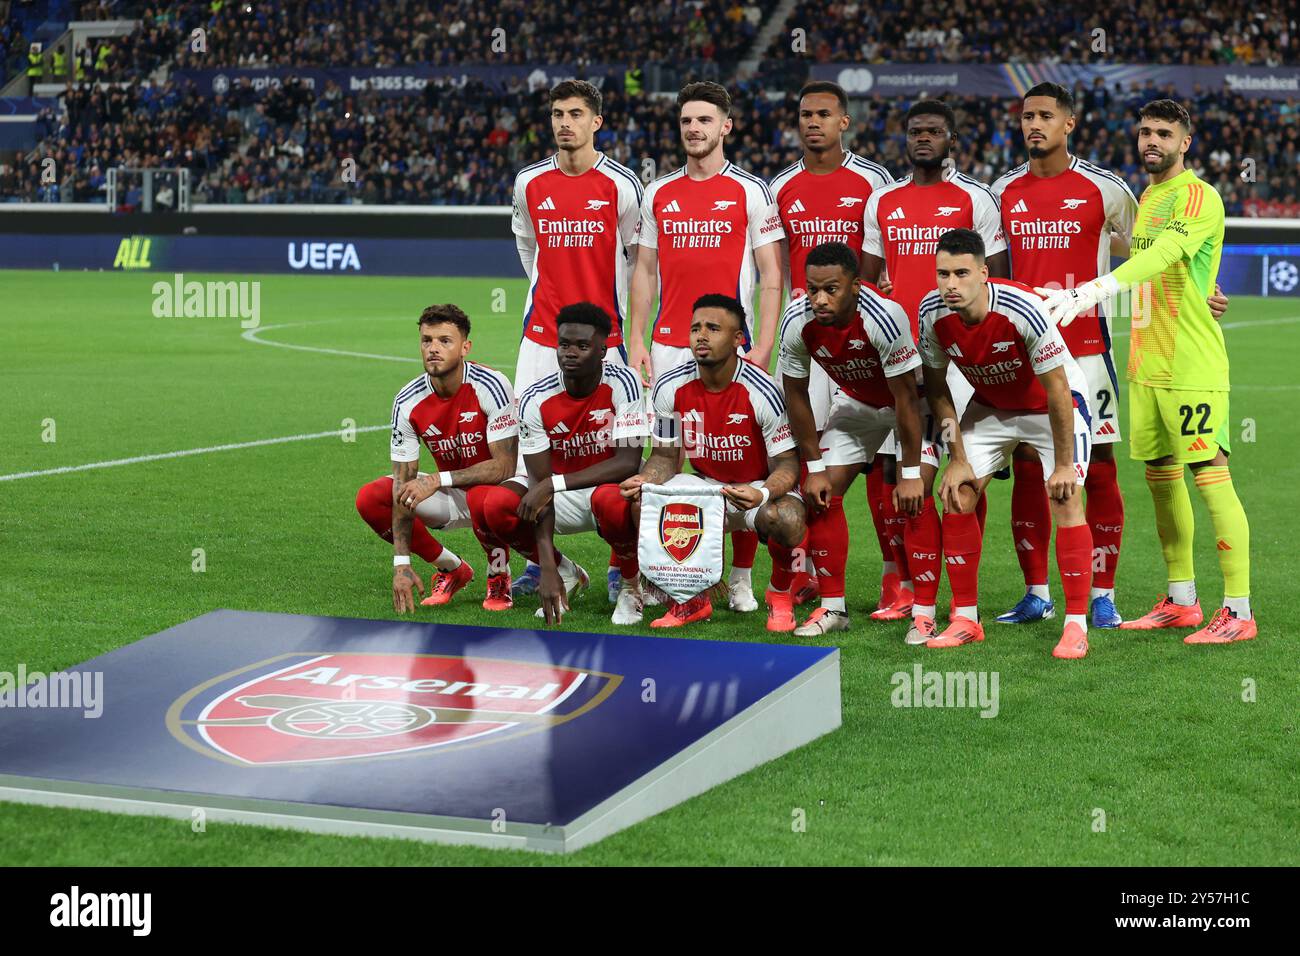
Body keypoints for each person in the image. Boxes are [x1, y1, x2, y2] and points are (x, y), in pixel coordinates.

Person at [1040, 99, 1255, 644]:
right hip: (1146, 361)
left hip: (1191, 363)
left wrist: (1094, 290)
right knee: (1161, 482)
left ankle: (1239, 611)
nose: (1150, 141)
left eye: (1163, 133)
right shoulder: (1148, 198)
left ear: (1186, 141)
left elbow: (1162, 257)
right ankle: (1181, 600)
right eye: (1143, 132)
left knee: (1210, 476)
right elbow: (1134, 250)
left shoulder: (1198, 196)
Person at [626, 81, 786, 615]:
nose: (694, 129)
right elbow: (644, 270)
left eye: (704, 120)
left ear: (726, 127)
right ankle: (666, 575)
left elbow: (769, 275)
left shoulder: (751, 191)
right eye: (686, 121)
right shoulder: (659, 193)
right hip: (670, 351)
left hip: (731, 351)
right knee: (667, 462)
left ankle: (739, 578)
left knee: (738, 462)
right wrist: (638, 338)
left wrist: (762, 343)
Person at [859, 99, 1009, 620]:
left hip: (963, 361)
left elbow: (1002, 280)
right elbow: (866, 282)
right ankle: (906, 587)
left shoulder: (977, 200)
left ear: (952, 140)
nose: (924, 138)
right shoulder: (882, 201)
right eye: (915, 131)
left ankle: (960, 596)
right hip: (901, 357)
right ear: (904, 138)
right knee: (898, 474)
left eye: (934, 131)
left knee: (965, 473)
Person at [918, 229, 1096, 659]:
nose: (951, 284)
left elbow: (1056, 390)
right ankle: (965, 619)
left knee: (1066, 496)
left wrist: (1063, 465)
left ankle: (1075, 624)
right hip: (992, 405)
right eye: (943, 274)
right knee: (957, 493)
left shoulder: (1022, 308)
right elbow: (938, 388)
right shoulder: (930, 313)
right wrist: (957, 458)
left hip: (1052, 406)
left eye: (961, 273)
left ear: (984, 272)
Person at [509, 79, 641, 603]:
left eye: (576, 114)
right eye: (558, 113)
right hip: (541, 338)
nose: (565, 122)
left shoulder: (622, 185)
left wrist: (616, 323)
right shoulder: (528, 183)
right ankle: (545, 564)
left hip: (605, 339)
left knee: (612, 448)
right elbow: (527, 248)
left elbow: (635, 260)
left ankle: (619, 562)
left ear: (596, 122)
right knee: (527, 455)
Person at [780, 242, 939, 639]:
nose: (819, 299)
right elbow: (796, 394)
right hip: (855, 403)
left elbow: (904, 397)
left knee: (915, 497)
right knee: (820, 493)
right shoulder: (797, 320)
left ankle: (925, 612)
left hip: (913, 406)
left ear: (855, 286)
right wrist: (814, 468)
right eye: (812, 288)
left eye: (831, 289)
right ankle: (833, 608)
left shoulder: (884, 316)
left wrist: (909, 472)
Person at [621, 294, 807, 630]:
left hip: (755, 489)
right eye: (695, 328)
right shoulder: (669, 386)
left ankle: (779, 595)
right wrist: (645, 479)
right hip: (707, 488)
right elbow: (664, 456)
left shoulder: (763, 391)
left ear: (738, 339)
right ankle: (689, 600)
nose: (701, 336)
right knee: (644, 499)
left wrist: (762, 494)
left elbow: (788, 465)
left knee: (788, 519)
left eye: (713, 328)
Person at [473, 303, 648, 626]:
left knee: (611, 500)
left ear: (603, 350)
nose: (570, 352)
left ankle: (630, 585)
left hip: (610, 490)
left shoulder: (625, 382)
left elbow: (627, 462)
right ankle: (566, 572)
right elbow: (539, 483)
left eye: (582, 346)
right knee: (497, 504)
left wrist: (554, 484)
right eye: (564, 344)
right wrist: (546, 567)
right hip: (562, 493)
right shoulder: (535, 398)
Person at [356, 305, 518, 614]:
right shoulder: (407, 400)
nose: (433, 349)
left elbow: (503, 468)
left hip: (501, 494)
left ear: (465, 347)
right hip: (453, 492)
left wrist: (436, 480)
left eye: (445, 341)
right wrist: (401, 565)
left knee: (484, 496)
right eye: (427, 340)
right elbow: (402, 485)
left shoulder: (491, 385)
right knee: (373, 497)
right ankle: (451, 568)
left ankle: (499, 574)